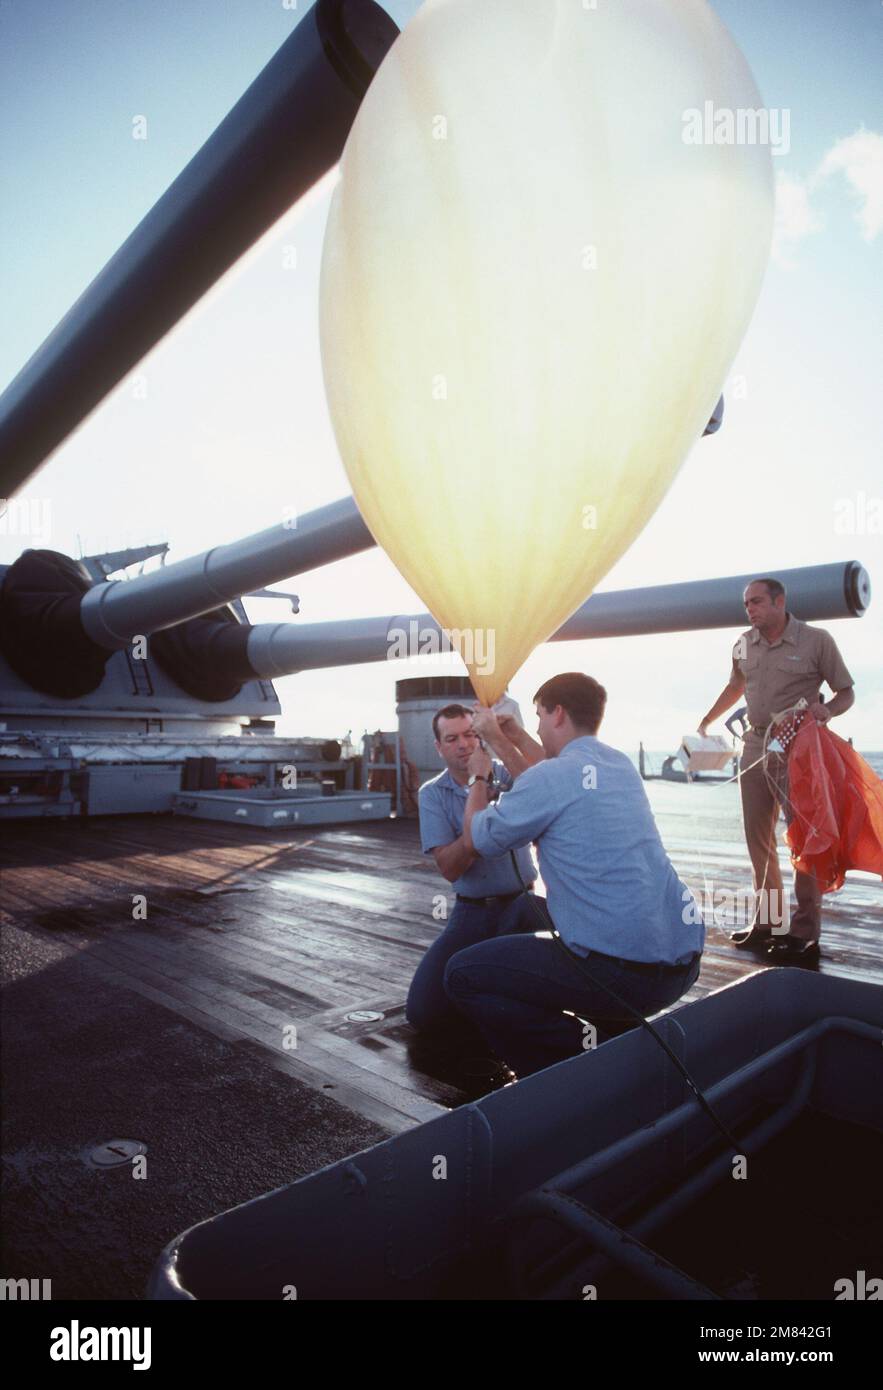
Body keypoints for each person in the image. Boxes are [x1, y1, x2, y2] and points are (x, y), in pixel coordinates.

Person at [439, 674, 703, 1078]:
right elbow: (552, 778)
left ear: (557, 713)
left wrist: (480, 774)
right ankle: (610, 1042)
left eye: (541, 717)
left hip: (625, 978)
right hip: (682, 964)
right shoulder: (618, 765)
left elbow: (477, 837)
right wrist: (511, 739)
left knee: (462, 974)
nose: (539, 727)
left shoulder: (554, 777)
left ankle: (576, 1072)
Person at [698, 577, 855, 961]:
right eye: (746, 604)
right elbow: (735, 684)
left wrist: (828, 710)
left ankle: (804, 930)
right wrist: (706, 719)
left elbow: (846, 691)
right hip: (754, 745)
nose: (750, 610)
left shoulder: (817, 641)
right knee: (759, 839)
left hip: (799, 746)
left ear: (779, 601)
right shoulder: (742, 644)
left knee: (805, 839)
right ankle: (768, 922)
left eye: (756, 603)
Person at [406, 703, 538, 1047]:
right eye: (452, 739)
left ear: (480, 737)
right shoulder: (432, 793)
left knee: (523, 991)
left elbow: (545, 790)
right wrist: (478, 809)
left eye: (469, 735)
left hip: (522, 906)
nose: (463, 744)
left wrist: (504, 753)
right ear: (439, 747)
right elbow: (449, 868)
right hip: (472, 911)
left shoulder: (507, 775)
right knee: (422, 1011)